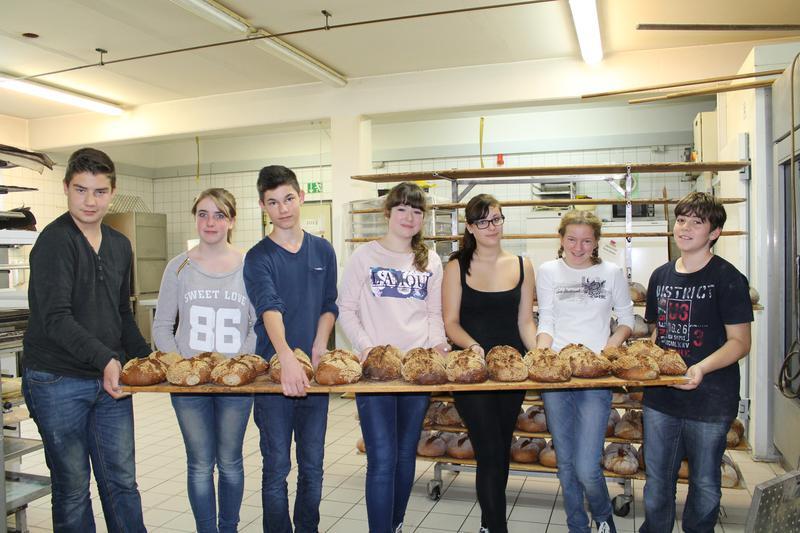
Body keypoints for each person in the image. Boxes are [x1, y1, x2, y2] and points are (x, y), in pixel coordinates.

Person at [21, 147, 150, 533]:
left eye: (99, 191)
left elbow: (121, 313)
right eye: (80, 190)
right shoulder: (54, 241)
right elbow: (56, 318)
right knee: (73, 487)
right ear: (66, 188)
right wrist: (107, 359)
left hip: (107, 382)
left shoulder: (119, 244)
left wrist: (147, 360)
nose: (90, 201)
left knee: (122, 482)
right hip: (57, 380)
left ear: (112, 191)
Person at [337, 182, 449, 533]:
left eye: (416, 211)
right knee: (382, 460)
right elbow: (346, 309)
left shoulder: (429, 258)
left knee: (404, 458)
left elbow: (434, 313)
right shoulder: (364, 257)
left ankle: (396, 525)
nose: (409, 216)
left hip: (416, 373)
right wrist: (368, 347)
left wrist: (436, 347)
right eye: (402, 209)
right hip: (378, 374)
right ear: (387, 213)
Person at [639, 192, 752, 533]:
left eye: (696, 222)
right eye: (682, 220)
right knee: (657, 480)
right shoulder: (660, 276)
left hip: (711, 399)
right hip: (662, 399)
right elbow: (660, 334)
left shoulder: (728, 278)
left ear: (714, 232)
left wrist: (700, 368)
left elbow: (740, 343)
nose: (685, 228)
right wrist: (647, 358)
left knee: (704, 484)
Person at [152, 188, 257, 533]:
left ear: (232, 221)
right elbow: (163, 326)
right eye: (203, 214)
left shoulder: (248, 266)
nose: (210, 222)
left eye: (219, 214)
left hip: (234, 385)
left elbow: (257, 324)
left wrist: (240, 364)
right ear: (194, 218)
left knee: (229, 462)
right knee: (199, 464)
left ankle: (228, 527)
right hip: (188, 387)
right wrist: (178, 368)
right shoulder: (178, 267)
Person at [243, 165, 338, 533]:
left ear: (301, 196)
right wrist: (286, 356)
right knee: (277, 468)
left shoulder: (323, 250)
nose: (283, 208)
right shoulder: (258, 257)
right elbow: (269, 306)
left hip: (313, 376)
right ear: (262, 206)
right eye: (272, 202)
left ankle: (308, 528)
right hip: (274, 378)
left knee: (312, 465)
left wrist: (318, 344)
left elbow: (329, 304)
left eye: (288, 198)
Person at [441, 194, 538, 533]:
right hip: (471, 372)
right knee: (490, 448)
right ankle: (497, 527)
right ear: (470, 227)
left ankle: (487, 524)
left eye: (496, 219)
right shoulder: (456, 266)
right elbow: (450, 322)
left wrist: (538, 354)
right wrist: (474, 347)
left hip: (511, 372)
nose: (491, 227)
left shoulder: (523, 265)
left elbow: (525, 322)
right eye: (482, 221)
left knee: (500, 447)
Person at [536, 209, 634, 533]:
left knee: (587, 466)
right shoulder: (549, 271)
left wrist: (612, 343)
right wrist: (541, 352)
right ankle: (577, 525)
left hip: (595, 376)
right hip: (558, 376)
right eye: (572, 239)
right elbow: (546, 319)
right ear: (561, 239)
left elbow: (627, 319)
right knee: (565, 464)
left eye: (586, 241)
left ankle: (603, 516)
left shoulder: (612, 272)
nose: (578, 247)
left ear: (596, 243)